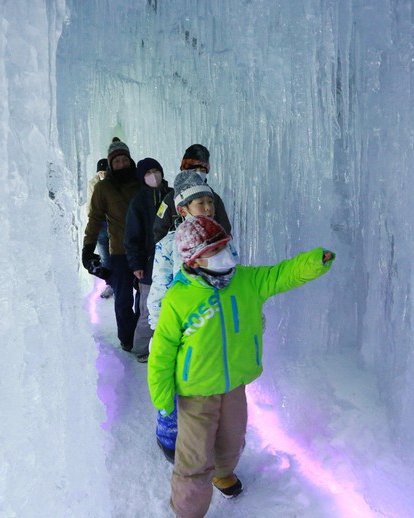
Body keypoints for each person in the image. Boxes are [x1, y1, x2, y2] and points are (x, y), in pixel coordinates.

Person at [147, 215, 335, 517]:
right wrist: (162, 395)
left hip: (234, 383)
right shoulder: (178, 298)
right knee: (194, 457)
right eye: (213, 250)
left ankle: (223, 473)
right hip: (196, 392)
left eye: (224, 246)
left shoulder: (246, 281)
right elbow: (162, 352)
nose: (223, 255)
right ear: (194, 260)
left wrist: (313, 262)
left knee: (232, 440)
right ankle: (187, 510)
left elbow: (280, 275)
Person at [145, 170, 240, 462]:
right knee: (174, 388)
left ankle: (209, 440)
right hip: (179, 325)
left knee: (207, 386)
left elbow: (236, 281)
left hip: (212, 324)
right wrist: (158, 327)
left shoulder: (225, 242)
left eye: (210, 202)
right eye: (200, 203)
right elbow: (159, 288)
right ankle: (169, 438)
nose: (209, 208)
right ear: (182, 209)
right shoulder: (168, 245)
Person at [82, 137, 140, 352]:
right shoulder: (103, 188)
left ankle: (144, 339)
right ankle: (127, 338)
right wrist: (88, 248)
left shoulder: (141, 182)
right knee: (123, 298)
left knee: (146, 299)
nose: (121, 164)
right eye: (117, 161)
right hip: (120, 251)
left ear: (130, 160)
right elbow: (95, 218)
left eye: (124, 160)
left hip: (145, 251)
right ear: (110, 163)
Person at [124, 157, 173, 363]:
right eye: (147, 173)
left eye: (155, 170)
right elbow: (131, 236)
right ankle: (141, 349)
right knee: (147, 311)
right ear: (141, 177)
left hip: (170, 261)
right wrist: (136, 265)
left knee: (168, 309)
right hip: (148, 265)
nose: (153, 175)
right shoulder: (138, 202)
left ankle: (162, 348)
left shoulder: (171, 195)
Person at [151, 144, 231, 246]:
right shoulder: (169, 199)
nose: (198, 174)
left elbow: (225, 229)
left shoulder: (214, 197)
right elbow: (159, 232)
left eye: (202, 170)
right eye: (194, 170)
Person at [87, 158, 113, 299]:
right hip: (100, 228)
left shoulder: (113, 183)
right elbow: (90, 206)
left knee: (116, 255)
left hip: (113, 227)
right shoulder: (93, 184)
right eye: (100, 172)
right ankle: (110, 284)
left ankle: (117, 283)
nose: (102, 174)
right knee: (105, 257)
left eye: (105, 172)